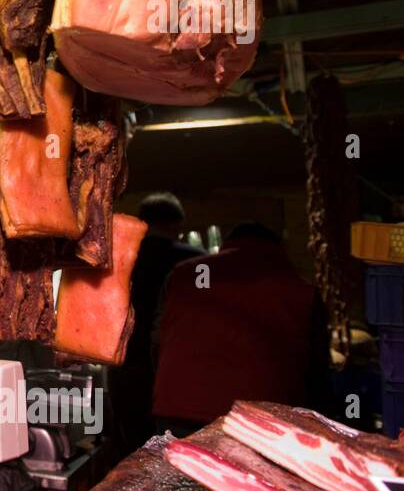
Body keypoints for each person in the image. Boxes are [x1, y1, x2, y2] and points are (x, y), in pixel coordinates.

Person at [150, 222, 329, 436]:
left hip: (178, 410)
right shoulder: (303, 291)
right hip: (259, 421)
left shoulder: (183, 274)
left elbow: (157, 341)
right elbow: (317, 370)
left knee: (177, 468)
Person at [108, 193, 204, 456]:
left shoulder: (119, 258)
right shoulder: (199, 264)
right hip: (177, 369)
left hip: (124, 362)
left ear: (142, 222)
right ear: (178, 224)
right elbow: (206, 305)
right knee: (172, 451)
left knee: (129, 448)